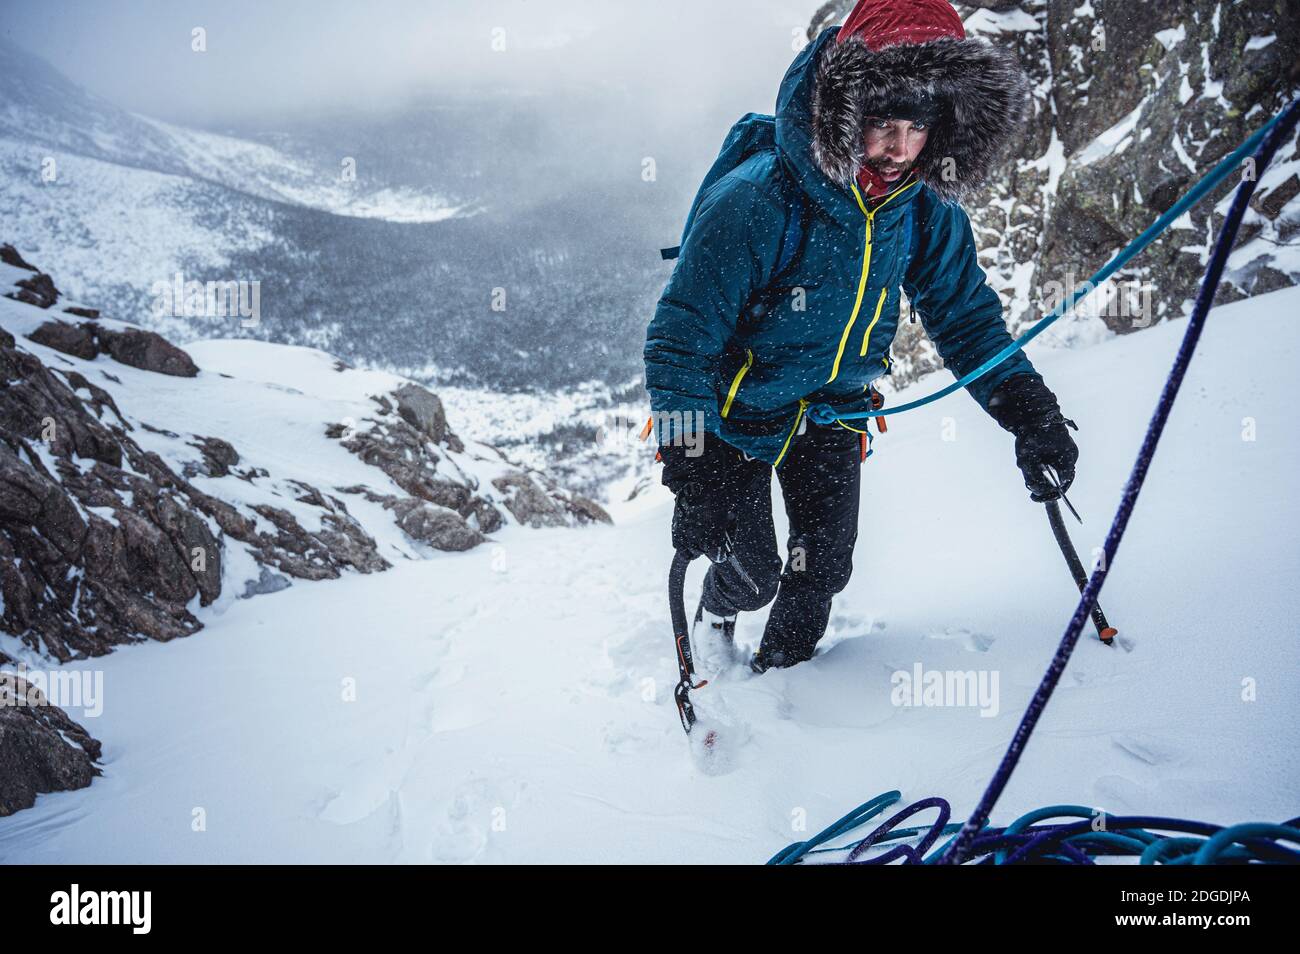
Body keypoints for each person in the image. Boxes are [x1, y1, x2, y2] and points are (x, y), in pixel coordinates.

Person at [643, 0, 1079, 673]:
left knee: (820, 573)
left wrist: (1029, 411)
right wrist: (692, 467)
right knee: (754, 569)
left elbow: (964, 317)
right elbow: (682, 337)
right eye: (882, 124)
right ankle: (720, 612)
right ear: (844, 112)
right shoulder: (756, 200)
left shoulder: (923, 209)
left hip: (833, 413)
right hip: (737, 416)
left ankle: (784, 691)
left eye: (918, 127)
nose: (900, 148)